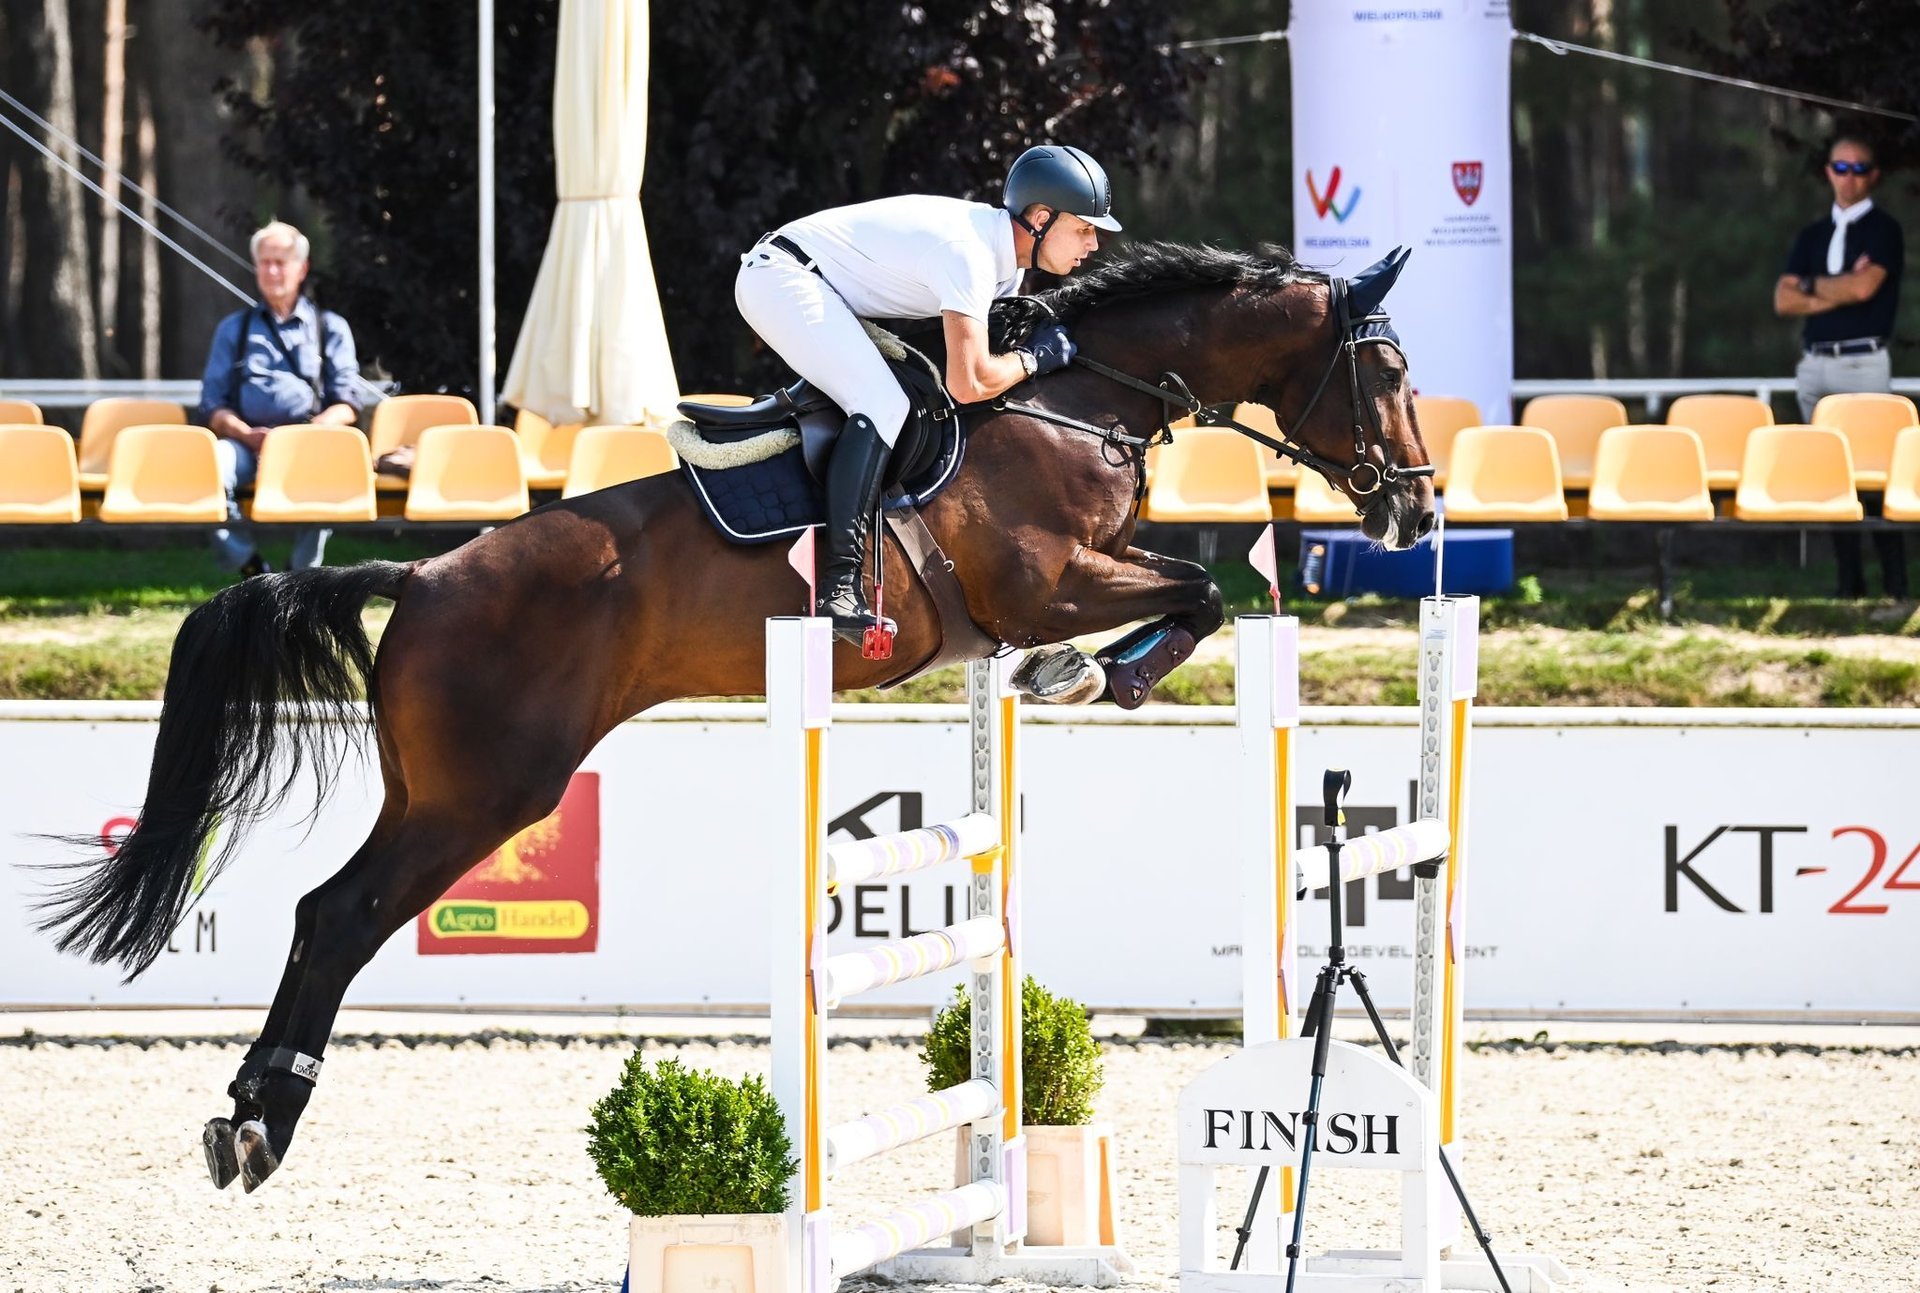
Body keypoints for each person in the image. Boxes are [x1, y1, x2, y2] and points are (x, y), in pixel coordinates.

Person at [735, 145, 1120, 642]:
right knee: (882, 403)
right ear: (1041, 218)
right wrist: (1034, 358)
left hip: (817, 283)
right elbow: (971, 381)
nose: (1093, 244)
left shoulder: (1007, 265)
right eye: (1085, 228)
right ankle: (839, 587)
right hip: (781, 279)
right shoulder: (970, 254)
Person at [1774, 133, 1907, 599]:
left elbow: (1864, 289)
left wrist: (1813, 287)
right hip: (1816, 364)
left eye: (1859, 168)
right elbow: (1784, 299)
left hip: (1862, 362)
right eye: (1840, 167)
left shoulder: (1883, 230)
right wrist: (1837, 286)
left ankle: (1895, 586)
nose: (1849, 178)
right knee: (1832, 474)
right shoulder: (1811, 235)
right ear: (1828, 172)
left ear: (1873, 176)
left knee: (1875, 475)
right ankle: (1849, 587)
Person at [197, 220, 365, 577]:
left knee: (329, 469)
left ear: (301, 269)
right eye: (265, 262)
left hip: (309, 445)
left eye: (280, 262)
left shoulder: (330, 328)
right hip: (246, 444)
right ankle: (252, 570)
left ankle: (299, 576)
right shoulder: (233, 329)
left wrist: (305, 434)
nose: (272, 271)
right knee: (209, 465)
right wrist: (245, 434)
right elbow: (212, 405)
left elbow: (348, 404)